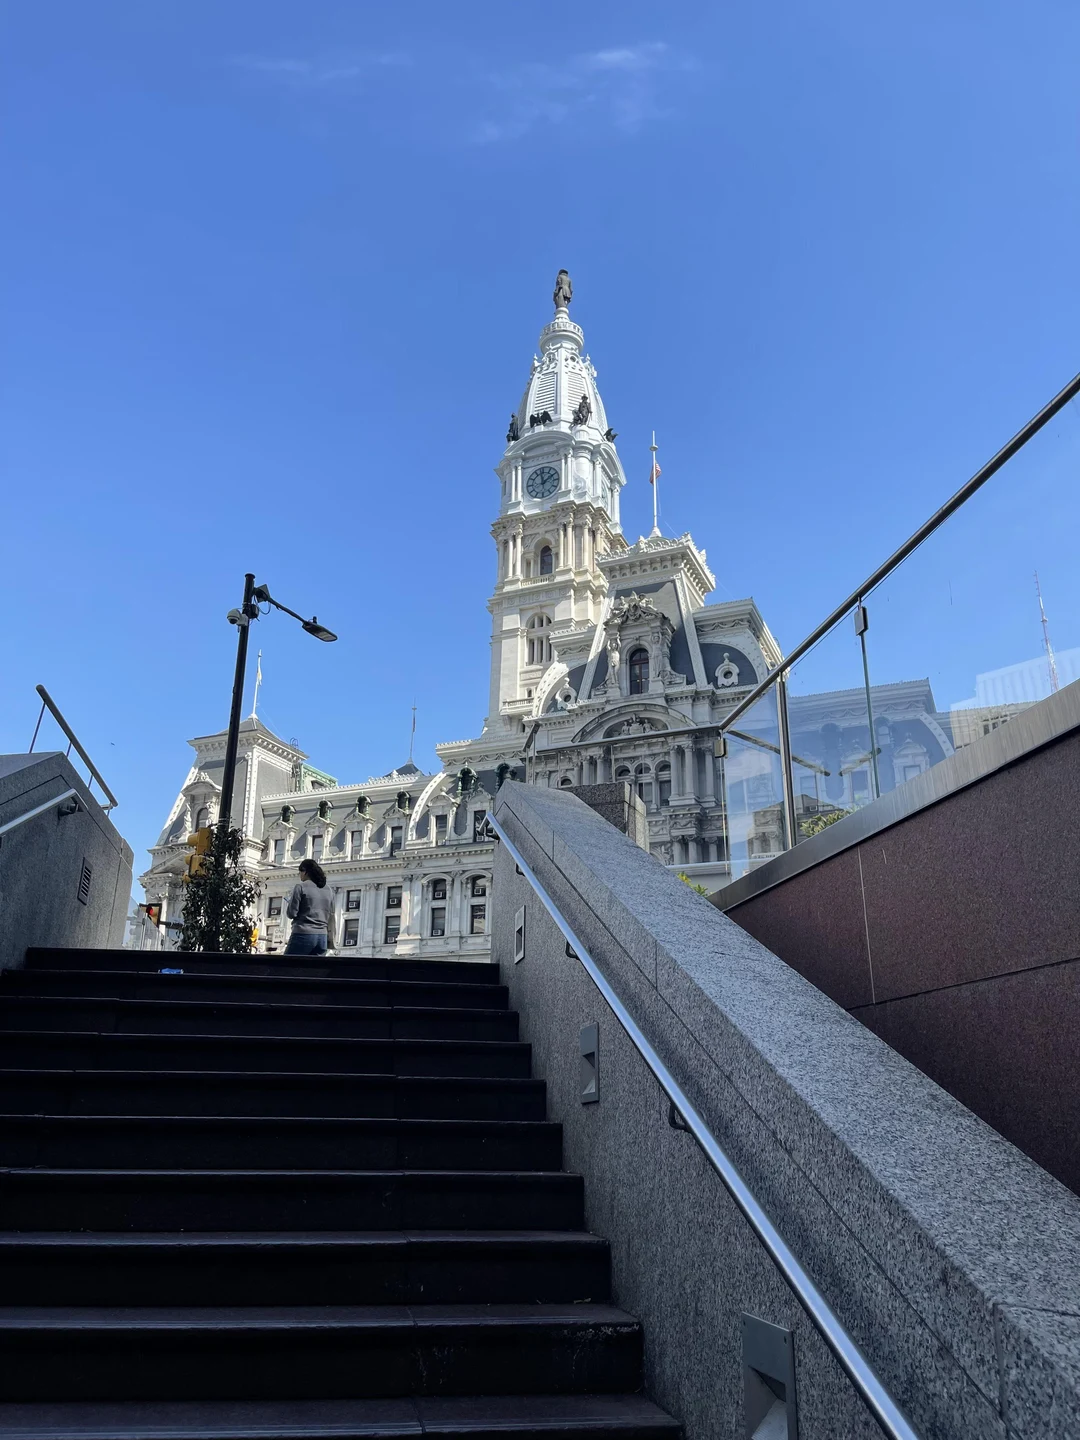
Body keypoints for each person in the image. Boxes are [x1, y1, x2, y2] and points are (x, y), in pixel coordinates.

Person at [284, 859, 334, 955]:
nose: (300, 875)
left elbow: (291, 913)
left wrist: (290, 903)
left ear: (305, 872)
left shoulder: (300, 887)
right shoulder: (329, 890)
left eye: (300, 872)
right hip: (322, 937)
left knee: (287, 963)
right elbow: (331, 912)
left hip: (303, 933)